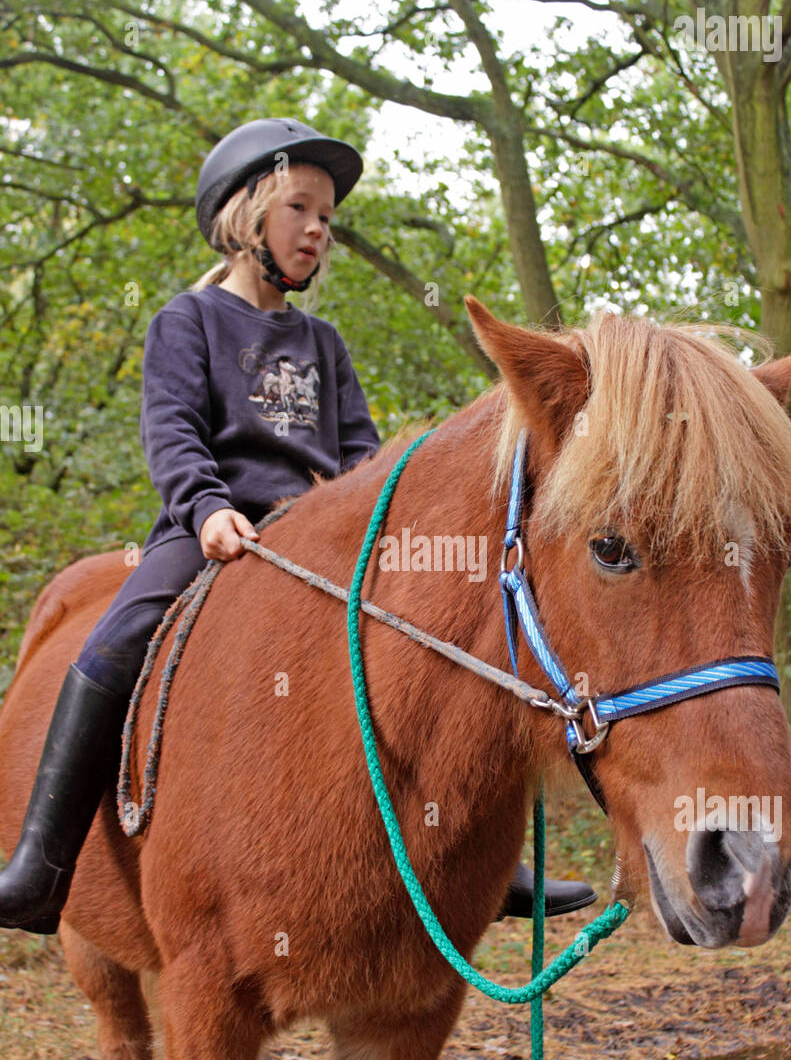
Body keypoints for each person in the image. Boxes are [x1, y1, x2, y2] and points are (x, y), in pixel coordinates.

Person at [0, 117, 596, 935]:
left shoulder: (322, 342)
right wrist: (207, 510)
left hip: (325, 545)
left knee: (446, 640)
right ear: (245, 216)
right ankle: (41, 860)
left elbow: (361, 458)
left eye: (327, 217)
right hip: (215, 529)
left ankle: (475, 859)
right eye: (300, 209)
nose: (319, 229)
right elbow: (172, 434)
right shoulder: (188, 322)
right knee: (117, 638)